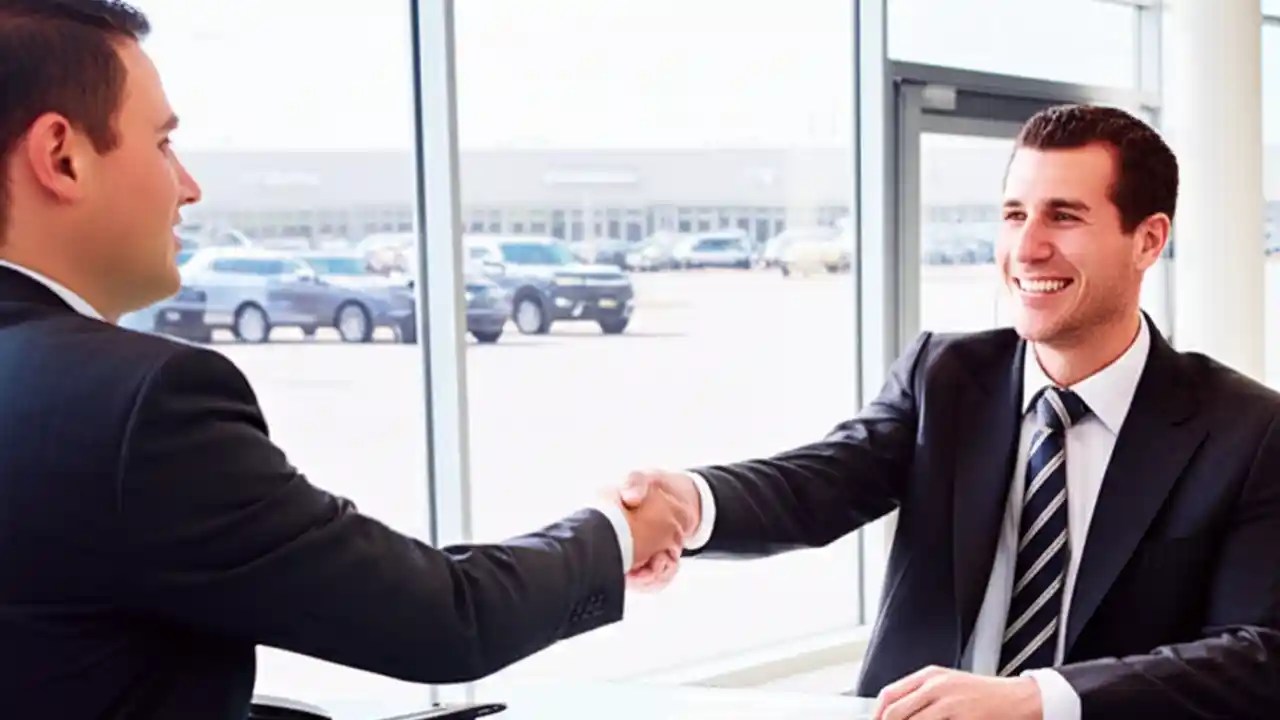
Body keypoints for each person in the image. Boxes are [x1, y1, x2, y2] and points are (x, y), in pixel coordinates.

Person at [0, 2, 691, 718]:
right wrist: (617, 531)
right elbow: (446, 620)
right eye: (163, 143)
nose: (189, 186)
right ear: (62, 156)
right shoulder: (139, 407)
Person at [621, 104, 1280, 720]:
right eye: (1015, 214)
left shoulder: (1247, 431)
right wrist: (689, 502)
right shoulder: (944, 376)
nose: (1027, 248)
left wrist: (1036, 700)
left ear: (1148, 240)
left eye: (1064, 216)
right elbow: (818, 483)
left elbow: (1256, 655)